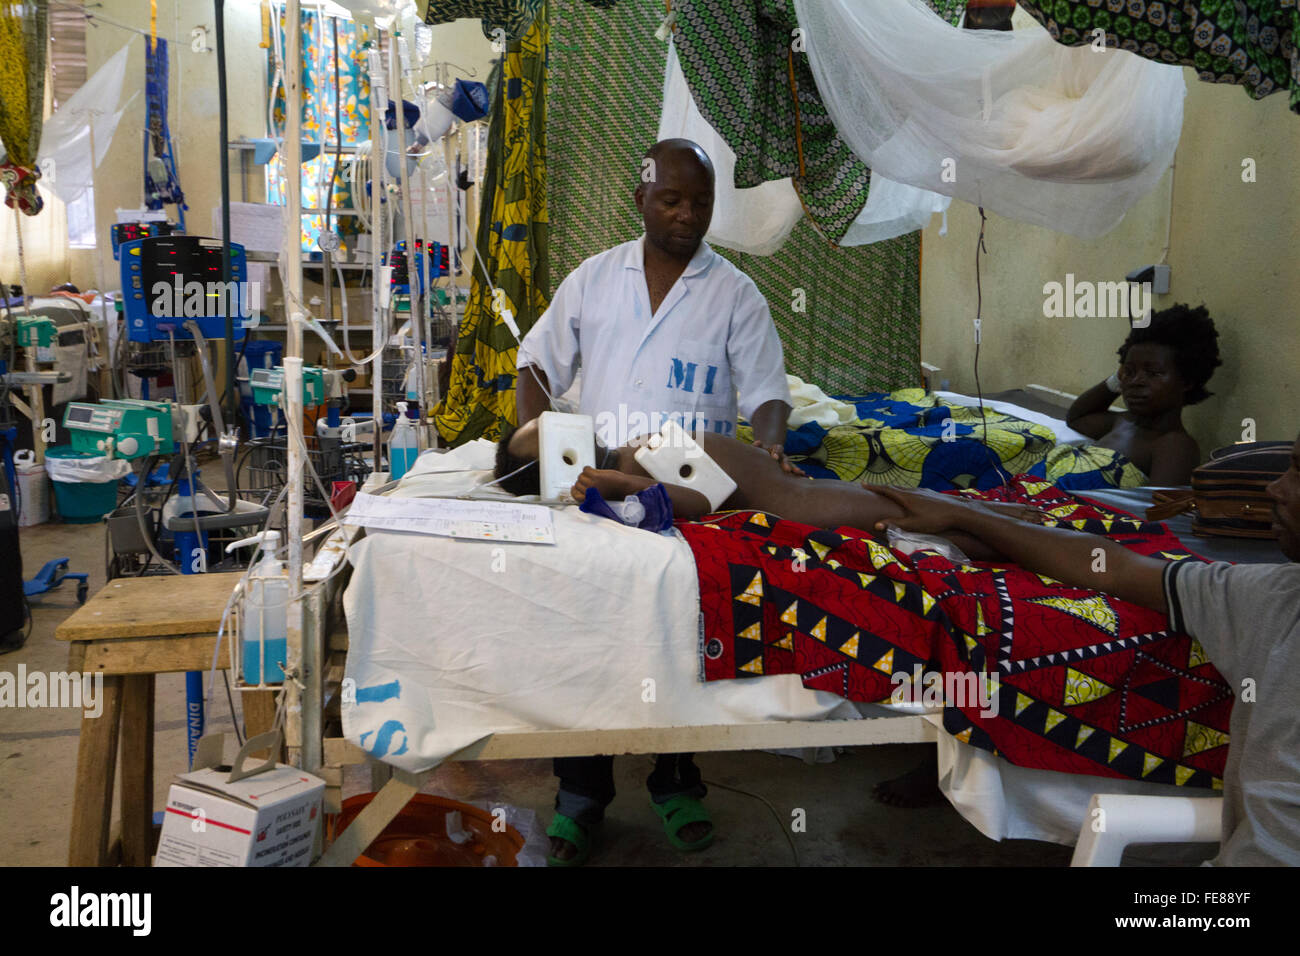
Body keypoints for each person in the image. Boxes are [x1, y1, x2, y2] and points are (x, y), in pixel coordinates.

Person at [513, 137, 796, 865]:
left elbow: (767, 392)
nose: (687, 214)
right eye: (671, 198)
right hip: (598, 485)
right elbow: (538, 362)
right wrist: (535, 436)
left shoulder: (734, 292)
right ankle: (580, 794)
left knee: (677, 635)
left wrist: (767, 444)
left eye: (700, 202)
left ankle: (676, 780)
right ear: (640, 199)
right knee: (585, 638)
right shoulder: (594, 279)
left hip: (685, 490)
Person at [870, 438, 1300, 866]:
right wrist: (972, 515)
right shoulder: (1275, 598)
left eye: (1297, 471)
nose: (1274, 488)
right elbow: (1114, 568)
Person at [1066, 304, 1222, 485]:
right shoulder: (1121, 423)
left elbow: (1156, 510)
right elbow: (1077, 418)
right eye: (1129, 372)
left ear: (1187, 381)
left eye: (1154, 373)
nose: (1135, 381)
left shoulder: (1174, 445)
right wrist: (1118, 378)